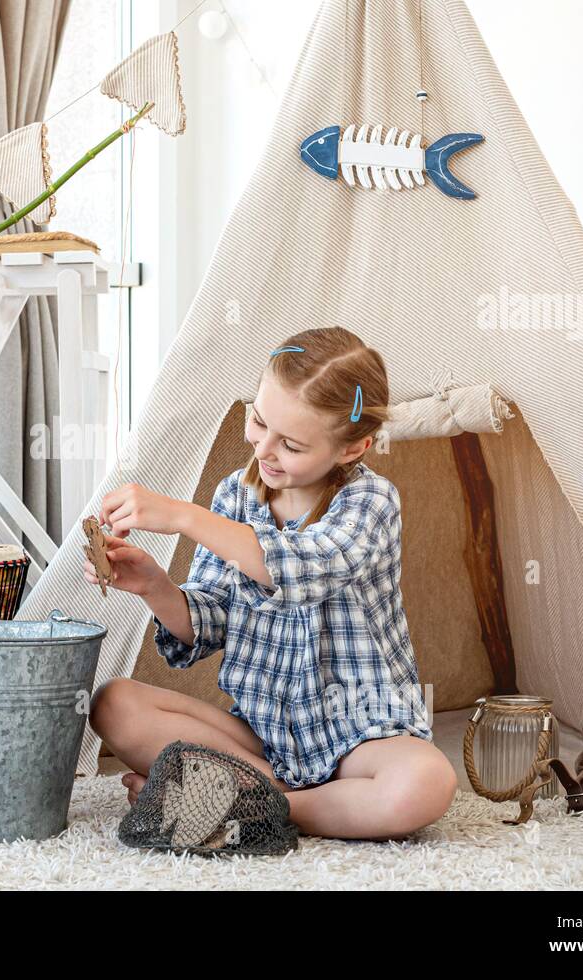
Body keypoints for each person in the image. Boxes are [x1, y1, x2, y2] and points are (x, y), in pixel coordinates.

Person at [85, 326, 457, 840]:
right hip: (264, 737)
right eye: (259, 420)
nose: (265, 448)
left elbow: (304, 566)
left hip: (358, 734)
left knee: (426, 782)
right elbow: (209, 622)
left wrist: (184, 517)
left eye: (293, 444)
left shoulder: (372, 503)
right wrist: (155, 587)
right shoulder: (235, 497)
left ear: (352, 448)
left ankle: (260, 802)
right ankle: (260, 793)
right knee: (114, 704)